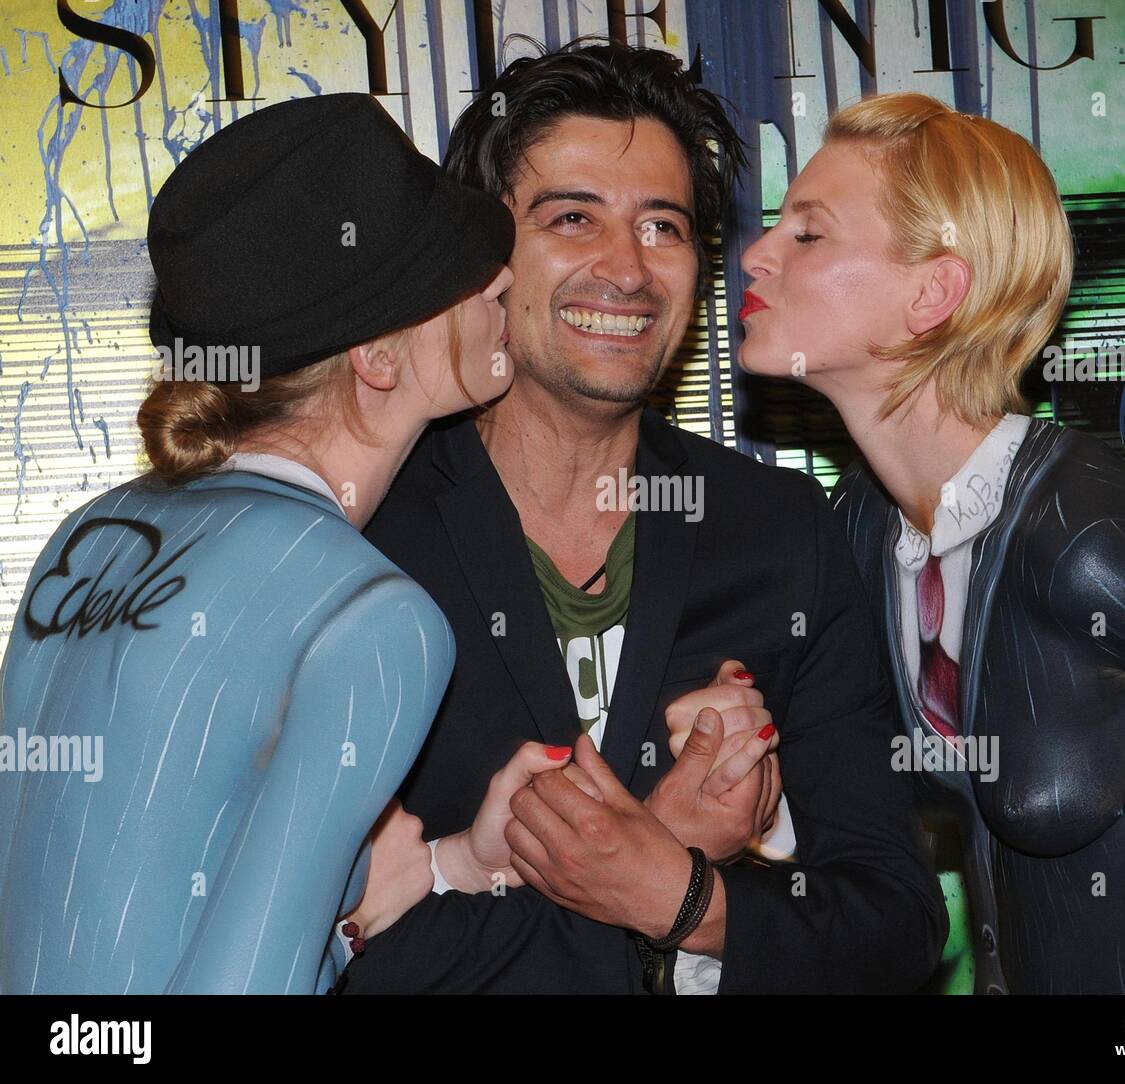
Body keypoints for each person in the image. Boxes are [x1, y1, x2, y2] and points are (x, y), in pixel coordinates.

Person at [337, 41, 948, 996]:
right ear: (482, 259)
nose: (626, 269)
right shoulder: (364, 532)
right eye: (572, 217)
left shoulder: (779, 532)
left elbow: (894, 932)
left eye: (662, 227)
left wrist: (680, 896)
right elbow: (308, 955)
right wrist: (654, 864)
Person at [0, 92, 570, 994]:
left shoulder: (95, 536)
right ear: (377, 358)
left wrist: (457, 860)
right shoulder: (372, 617)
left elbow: (136, 903)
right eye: (464, 270)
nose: (504, 280)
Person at [737, 90, 1125, 993]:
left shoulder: (1086, 539)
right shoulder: (863, 530)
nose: (756, 254)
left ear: (933, 293)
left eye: (808, 234)